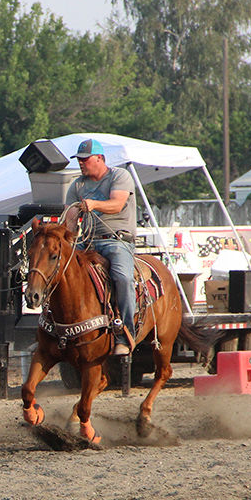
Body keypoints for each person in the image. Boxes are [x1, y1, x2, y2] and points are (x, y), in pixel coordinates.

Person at [66, 139, 137, 356]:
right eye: (79, 160)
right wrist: (67, 239)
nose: (81, 164)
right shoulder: (76, 185)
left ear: (100, 158)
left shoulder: (119, 176)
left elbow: (117, 204)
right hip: (86, 242)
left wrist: (93, 204)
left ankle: (125, 334)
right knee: (60, 273)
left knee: (122, 278)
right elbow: (70, 218)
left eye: (85, 159)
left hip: (116, 240)